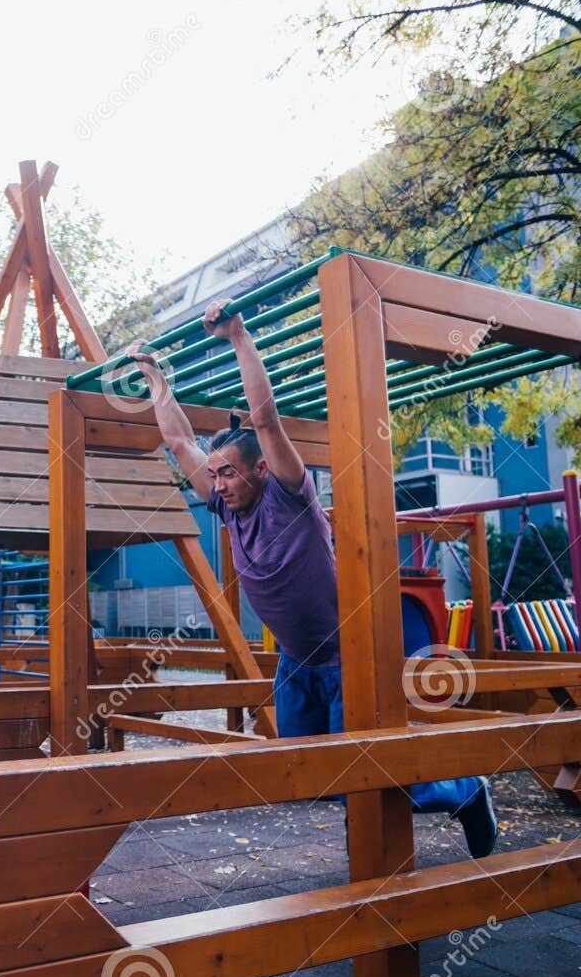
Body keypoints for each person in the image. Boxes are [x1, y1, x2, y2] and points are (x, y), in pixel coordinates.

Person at [125, 297, 498, 859]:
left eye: (227, 472)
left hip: (350, 655)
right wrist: (155, 377)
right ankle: (364, 816)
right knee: (304, 770)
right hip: (299, 663)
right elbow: (179, 442)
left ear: (258, 469)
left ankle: (466, 790)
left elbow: (265, 419)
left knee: (372, 773)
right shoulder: (226, 508)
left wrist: (239, 338)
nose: (217, 482)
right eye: (214, 474)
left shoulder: (289, 494)